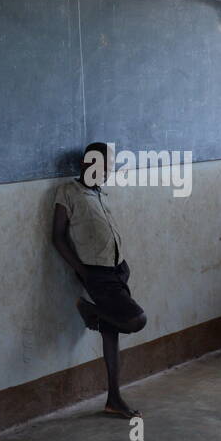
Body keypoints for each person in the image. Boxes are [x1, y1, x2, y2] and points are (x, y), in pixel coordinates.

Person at [52, 142, 147, 419]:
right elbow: (57, 236)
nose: (107, 171)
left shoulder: (100, 193)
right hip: (97, 273)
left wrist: (123, 266)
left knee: (111, 332)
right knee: (136, 320)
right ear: (86, 164)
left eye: (109, 166)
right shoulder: (68, 192)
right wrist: (81, 269)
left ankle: (113, 399)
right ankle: (90, 310)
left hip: (117, 271)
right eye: (102, 165)